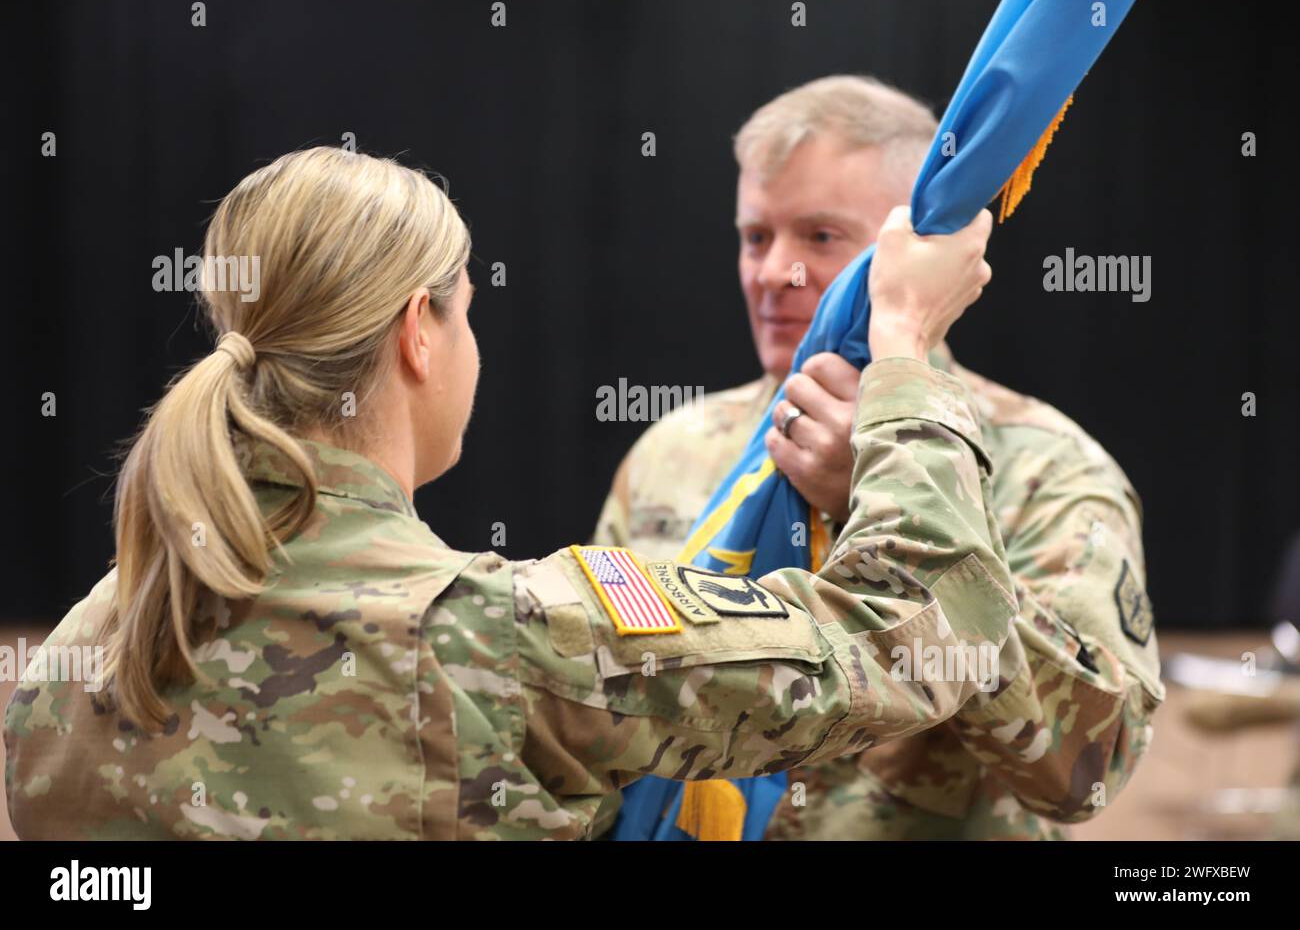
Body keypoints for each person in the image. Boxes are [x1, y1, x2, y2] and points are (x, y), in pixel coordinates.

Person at [4, 145, 1003, 840]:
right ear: (418, 331)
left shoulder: (77, 656)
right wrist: (906, 357)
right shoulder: (516, 641)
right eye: (467, 311)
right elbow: (916, 639)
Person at [593, 76, 1165, 839]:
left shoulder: (1047, 466)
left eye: (821, 237)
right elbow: (601, 704)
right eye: (756, 236)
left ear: (915, 253)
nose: (772, 273)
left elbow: (1087, 766)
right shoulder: (672, 452)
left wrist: (885, 497)